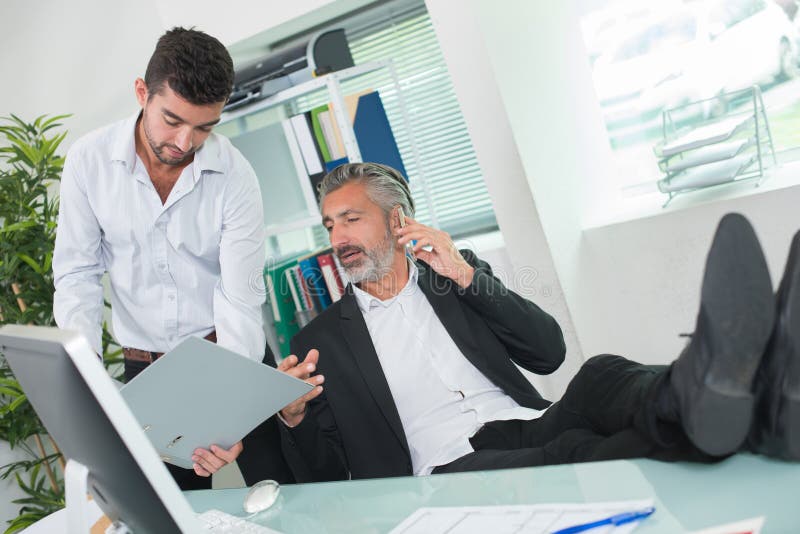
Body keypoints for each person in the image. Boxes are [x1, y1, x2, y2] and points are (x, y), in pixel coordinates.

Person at [277, 162, 800, 481]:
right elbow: (328, 472)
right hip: (444, 465)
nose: (337, 238)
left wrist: (463, 275)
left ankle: (716, 381)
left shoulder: (452, 277)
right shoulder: (319, 340)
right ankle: (763, 411)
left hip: (522, 421)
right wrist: (295, 417)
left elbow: (548, 353)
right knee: (571, 452)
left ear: (398, 221)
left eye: (351, 219)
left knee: (600, 373)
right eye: (329, 225)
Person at [53, 27, 299, 489]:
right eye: (172, 120)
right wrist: (84, 381)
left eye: (205, 127)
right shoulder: (88, 162)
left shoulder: (234, 176)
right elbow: (78, 275)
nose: (185, 142)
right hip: (149, 371)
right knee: (176, 510)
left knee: (285, 491)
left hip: (234, 355)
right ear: (142, 93)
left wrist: (230, 412)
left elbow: (239, 297)